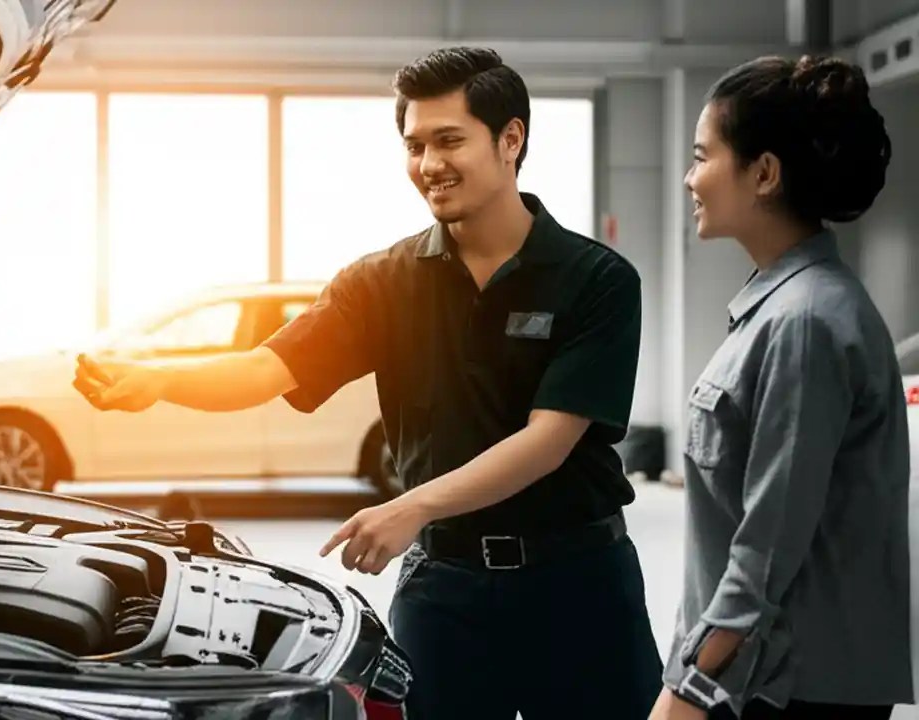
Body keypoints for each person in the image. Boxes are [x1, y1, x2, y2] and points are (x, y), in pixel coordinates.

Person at [74, 46, 663, 718]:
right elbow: (267, 367)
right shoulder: (381, 283)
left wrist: (412, 507)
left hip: (579, 585)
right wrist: (158, 380)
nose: (429, 164)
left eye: (449, 140)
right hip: (444, 593)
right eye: (415, 145)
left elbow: (547, 442)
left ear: (510, 140)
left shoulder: (598, 281)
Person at [652, 55, 910, 720]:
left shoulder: (806, 322)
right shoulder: (785, 306)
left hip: (789, 687)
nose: (690, 178)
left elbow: (766, 546)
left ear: (764, 174)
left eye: (702, 156)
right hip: (763, 676)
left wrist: (688, 688)